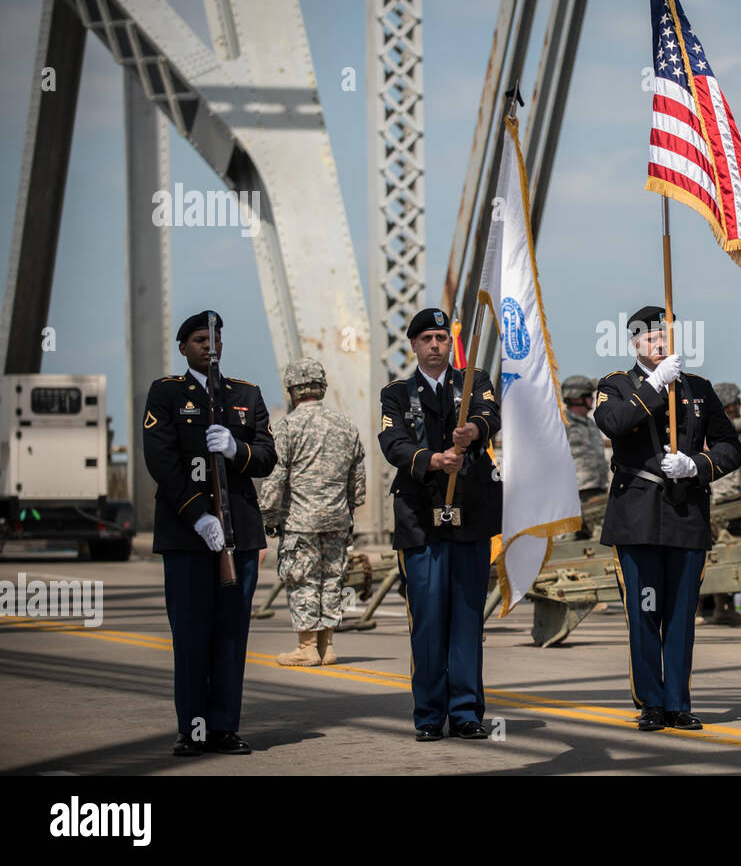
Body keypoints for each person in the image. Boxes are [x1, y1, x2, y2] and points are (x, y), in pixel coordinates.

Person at [594, 305, 741, 732]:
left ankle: (678, 701)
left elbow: (731, 447)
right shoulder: (616, 385)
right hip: (637, 514)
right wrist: (656, 384)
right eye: (650, 338)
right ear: (635, 343)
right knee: (643, 612)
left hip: (686, 512)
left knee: (681, 613)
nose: (659, 343)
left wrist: (697, 465)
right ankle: (651, 701)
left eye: (666, 337)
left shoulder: (698, 388)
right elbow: (615, 423)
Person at [142, 310, 277, 756]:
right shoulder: (165, 394)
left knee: (230, 635)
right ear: (184, 347)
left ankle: (223, 727)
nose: (209, 345)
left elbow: (266, 457)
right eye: (200, 339)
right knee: (191, 635)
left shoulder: (245, 394)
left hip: (238, 536)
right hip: (188, 535)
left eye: (215, 338)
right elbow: (162, 460)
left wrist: (237, 448)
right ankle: (194, 729)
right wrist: (199, 514)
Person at [378, 307, 502, 741]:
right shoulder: (396, 393)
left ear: (451, 344)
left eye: (442, 338)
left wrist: (472, 432)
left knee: (468, 618)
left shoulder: (473, 381)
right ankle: (429, 714)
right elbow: (392, 443)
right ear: (413, 345)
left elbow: (491, 415)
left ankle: (466, 712)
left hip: (470, 516)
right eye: (427, 338)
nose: (435, 345)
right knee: (428, 620)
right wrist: (432, 460)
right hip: (420, 518)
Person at [259, 358, 366, 668]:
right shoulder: (345, 425)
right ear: (322, 386)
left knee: (302, 580)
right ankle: (327, 645)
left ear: (292, 389)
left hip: (300, 522)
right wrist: (347, 511)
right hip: (337, 519)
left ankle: (306, 647)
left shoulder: (286, 427)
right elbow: (357, 482)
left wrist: (268, 518)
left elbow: (275, 479)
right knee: (332, 580)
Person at [705, 381, 741, 625]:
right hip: (720, 505)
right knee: (714, 557)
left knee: (726, 555)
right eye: (736, 403)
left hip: (732, 502)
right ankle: (696, 610)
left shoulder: (731, 430)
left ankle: (723, 608)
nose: (740, 406)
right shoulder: (714, 432)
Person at [560, 374, 609, 542]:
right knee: (570, 541)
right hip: (574, 494)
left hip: (597, 490)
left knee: (597, 539)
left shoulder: (592, 424)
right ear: (576, 397)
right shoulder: (561, 424)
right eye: (589, 395)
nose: (592, 400)